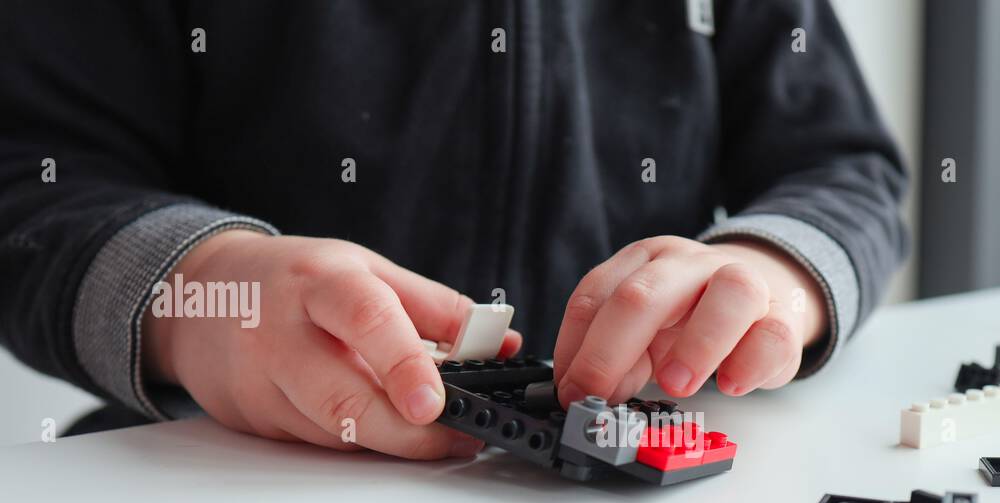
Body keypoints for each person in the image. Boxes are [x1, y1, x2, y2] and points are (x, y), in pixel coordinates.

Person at [0, 0, 907, 459]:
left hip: (622, 499)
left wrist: (773, 272)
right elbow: (32, 178)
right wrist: (195, 291)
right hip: (210, 486)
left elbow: (843, 168)